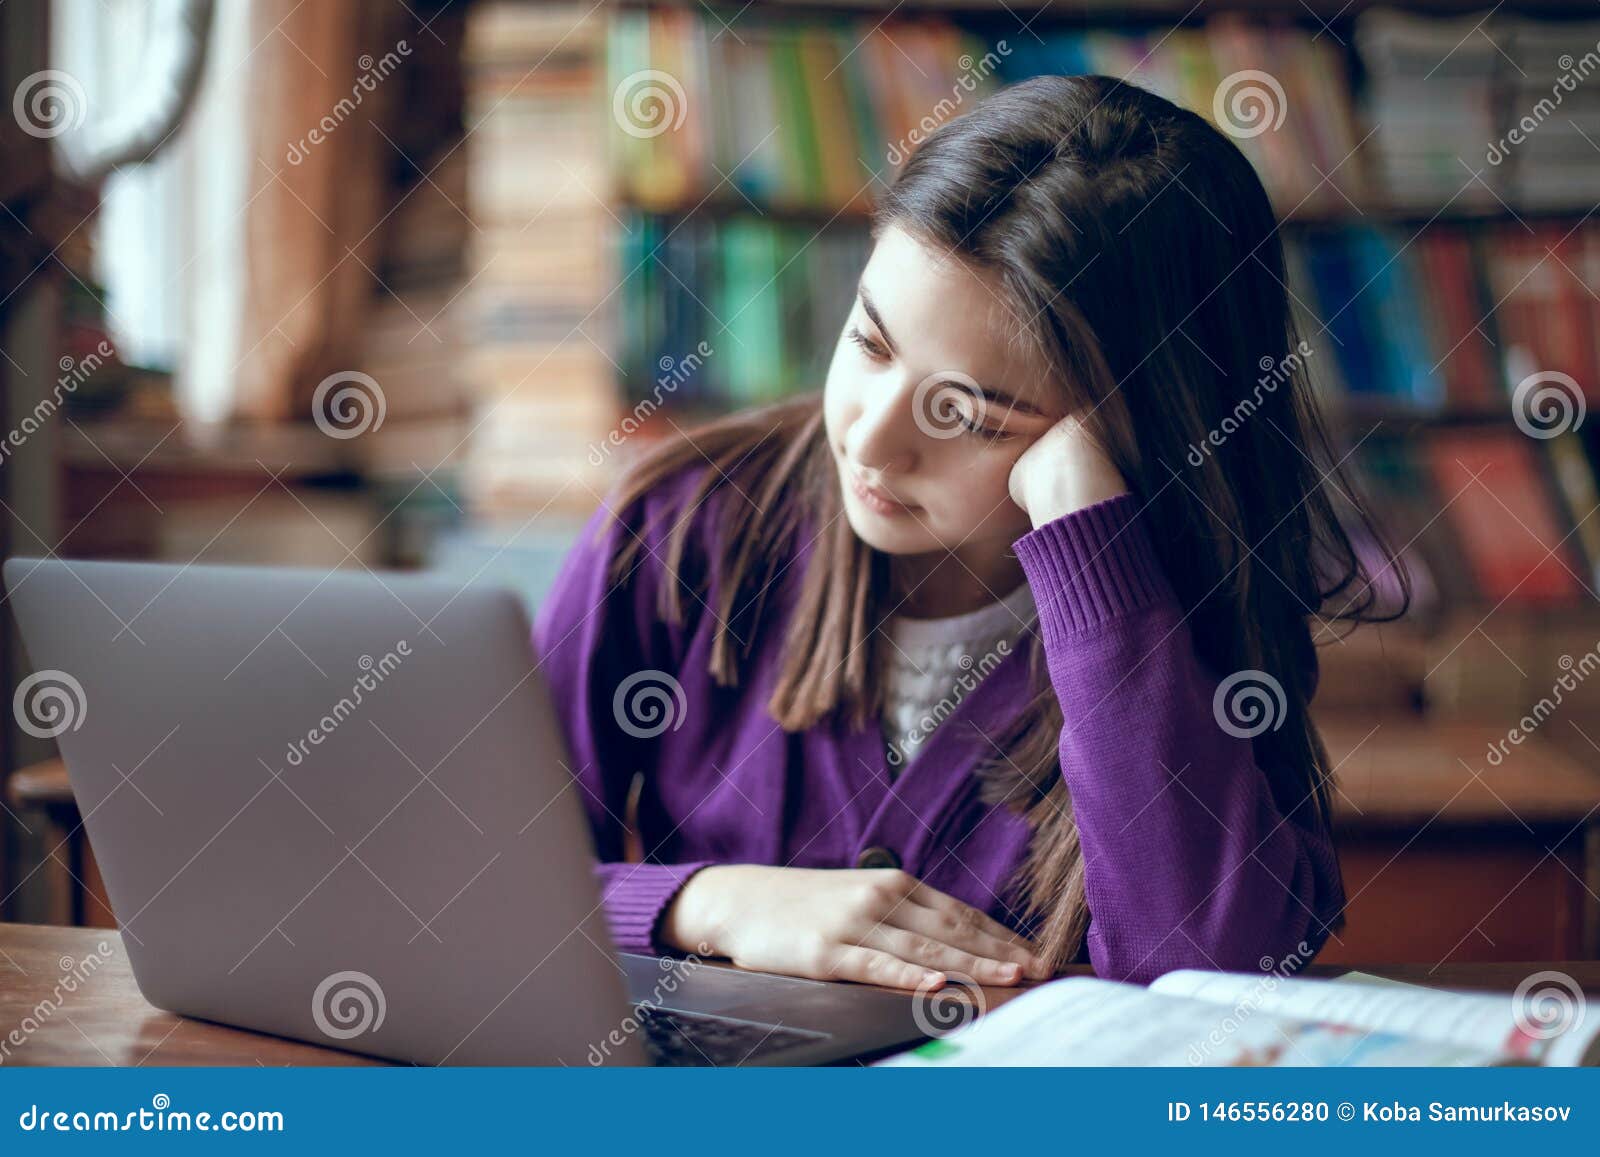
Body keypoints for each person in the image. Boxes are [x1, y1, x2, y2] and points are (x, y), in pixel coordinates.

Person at [532, 75, 1405, 991]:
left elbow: (1209, 977)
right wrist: (709, 903)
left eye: (971, 414)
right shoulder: (676, 528)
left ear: (1135, 428)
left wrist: (1095, 554)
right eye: (870, 343)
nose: (870, 439)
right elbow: (451, 892)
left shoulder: (1188, 609)